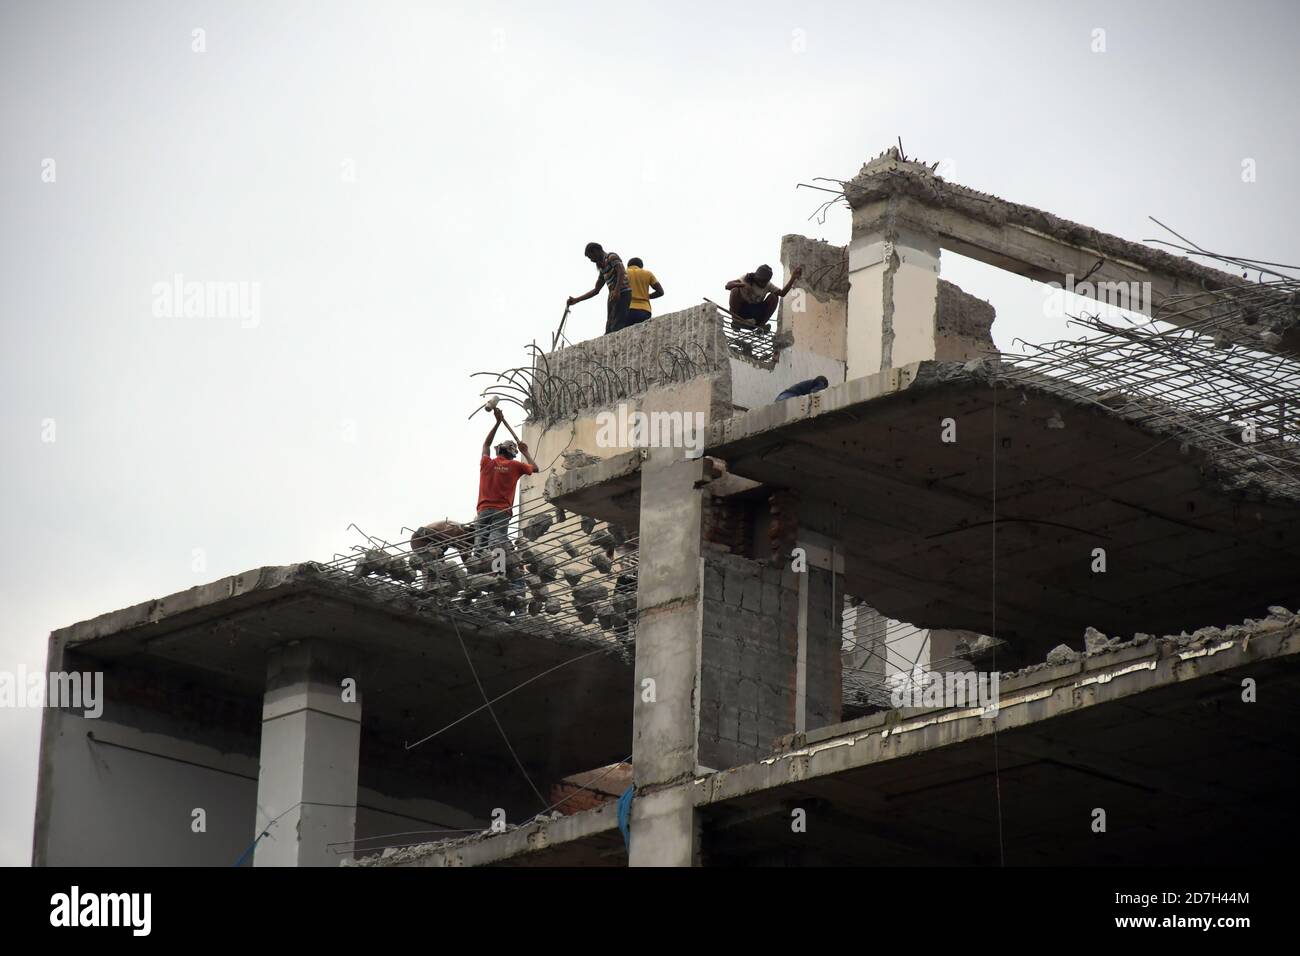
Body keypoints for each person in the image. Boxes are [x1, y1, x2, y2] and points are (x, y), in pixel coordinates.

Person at [476, 408, 538, 567]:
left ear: (499, 450)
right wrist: (526, 451)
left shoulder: (487, 463)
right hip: (501, 511)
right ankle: (498, 572)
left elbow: (486, 443)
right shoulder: (516, 465)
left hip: (483, 510)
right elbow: (535, 468)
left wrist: (497, 423)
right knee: (497, 542)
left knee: (479, 547)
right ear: (512, 453)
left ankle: (479, 571)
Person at [567, 243, 632, 335]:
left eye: (591, 257)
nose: (591, 260)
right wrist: (576, 300)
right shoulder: (602, 269)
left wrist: (617, 290)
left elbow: (621, 271)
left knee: (618, 324)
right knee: (609, 326)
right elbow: (596, 290)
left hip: (623, 293)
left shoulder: (611, 257)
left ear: (596, 251)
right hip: (612, 297)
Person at [725, 263, 802, 330]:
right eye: (761, 281)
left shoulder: (768, 285)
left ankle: (761, 326)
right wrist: (742, 285)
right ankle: (736, 321)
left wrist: (793, 278)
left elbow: (782, 293)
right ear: (756, 278)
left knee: (774, 297)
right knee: (735, 290)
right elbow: (728, 286)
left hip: (755, 315)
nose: (763, 284)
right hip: (741, 313)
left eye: (765, 282)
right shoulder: (746, 278)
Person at [624, 257, 664, 329]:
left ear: (628, 265)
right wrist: (646, 296)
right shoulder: (648, 273)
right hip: (644, 310)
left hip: (627, 309)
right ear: (641, 266)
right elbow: (660, 292)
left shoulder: (624, 273)